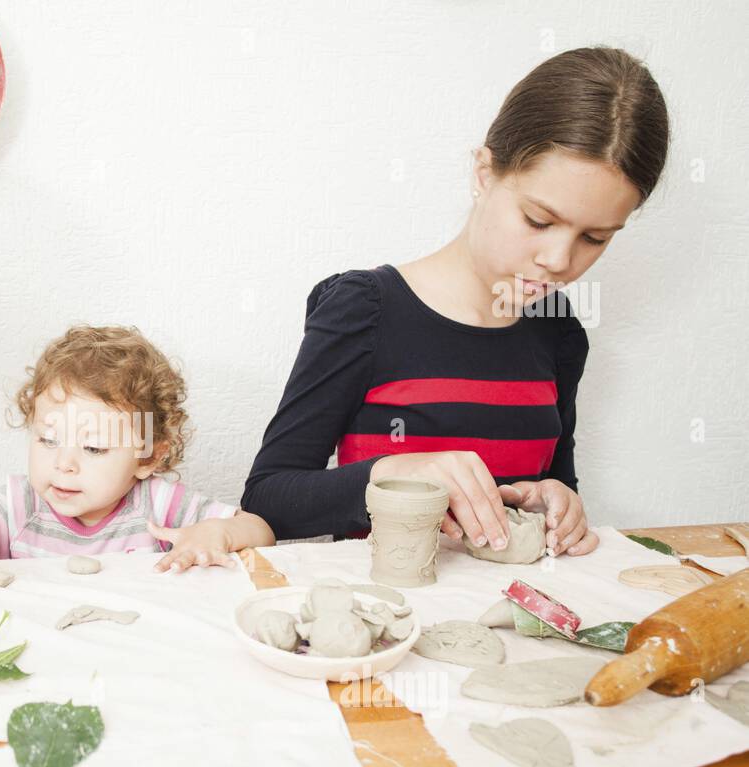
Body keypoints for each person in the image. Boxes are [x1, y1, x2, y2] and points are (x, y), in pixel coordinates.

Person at [243, 47, 669, 557]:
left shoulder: (557, 332)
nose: (559, 260)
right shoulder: (365, 310)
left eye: (595, 238)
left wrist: (559, 502)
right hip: (392, 615)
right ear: (485, 173)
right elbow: (269, 497)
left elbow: (555, 485)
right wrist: (394, 473)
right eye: (538, 220)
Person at [0, 325, 275, 578]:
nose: (63, 464)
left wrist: (216, 534)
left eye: (94, 447)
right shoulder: (21, 505)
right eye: (48, 440)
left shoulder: (158, 506)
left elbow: (261, 531)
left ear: (147, 456)